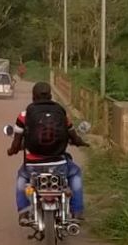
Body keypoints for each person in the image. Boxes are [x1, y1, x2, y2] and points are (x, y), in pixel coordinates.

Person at [6, 82, 88, 226]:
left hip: (33, 166)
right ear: (50, 95)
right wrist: (80, 142)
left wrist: (12, 151)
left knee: (21, 179)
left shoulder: (24, 115)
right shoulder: (61, 112)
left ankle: (24, 212)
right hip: (59, 164)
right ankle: (77, 211)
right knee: (75, 173)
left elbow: (17, 141)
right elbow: (73, 136)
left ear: (33, 96)